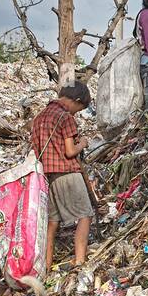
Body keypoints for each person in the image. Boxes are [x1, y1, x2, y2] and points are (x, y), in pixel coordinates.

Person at [31, 81, 96, 272]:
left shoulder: (39, 118)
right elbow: (69, 151)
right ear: (76, 101)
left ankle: (46, 266)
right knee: (85, 215)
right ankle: (80, 262)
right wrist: (82, 143)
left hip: (46, 177)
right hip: (67, 173)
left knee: (52, 222)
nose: (76, 113)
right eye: (79, 108)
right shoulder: (65, 118)